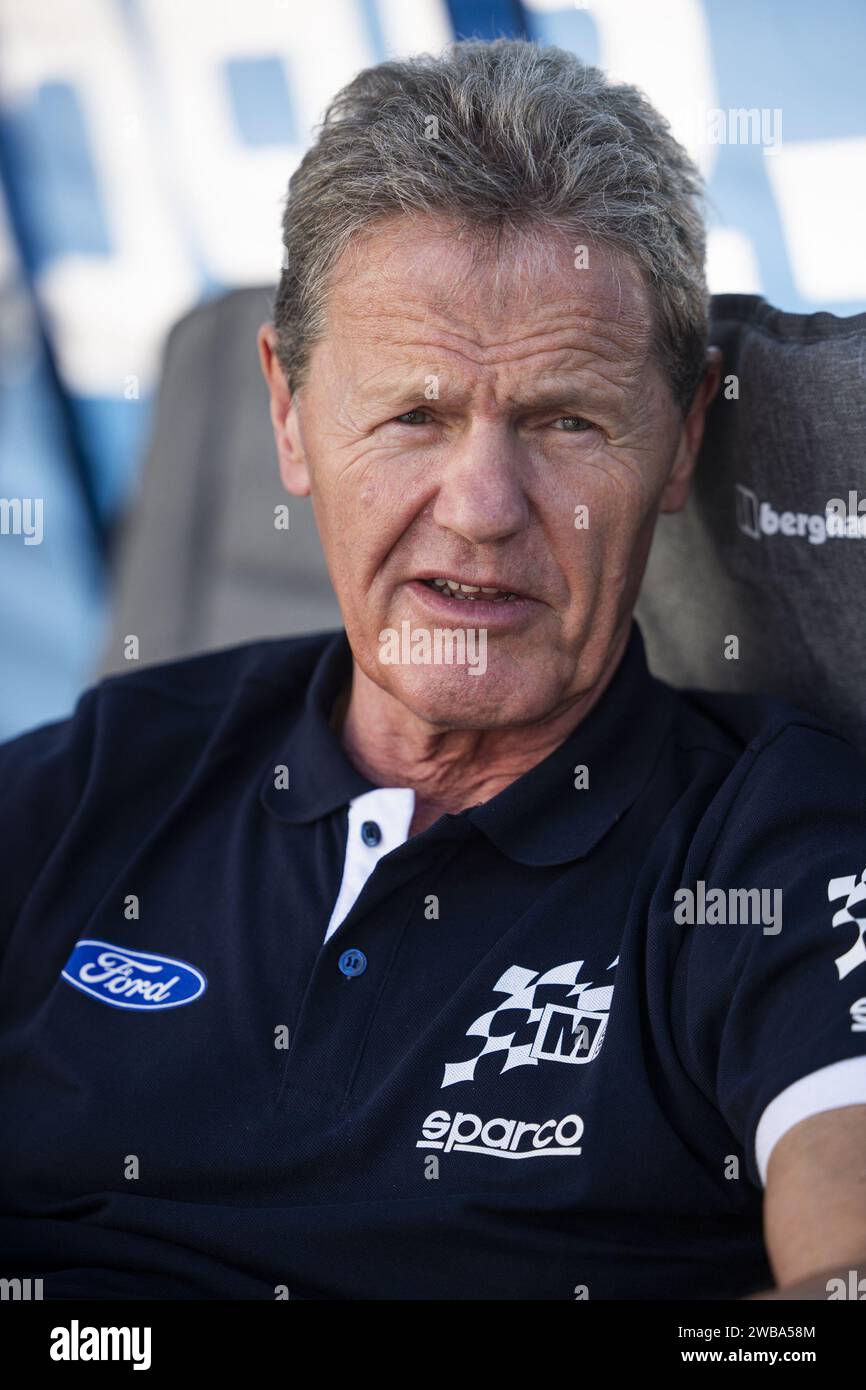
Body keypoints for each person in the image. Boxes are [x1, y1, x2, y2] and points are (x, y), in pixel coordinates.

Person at [1, 38, 864, 1301]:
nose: (481, 507)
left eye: (564, 419)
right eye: (413, 414)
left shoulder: (771, 846)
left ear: (679, 439)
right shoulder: (102, 776)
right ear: (290, 415)